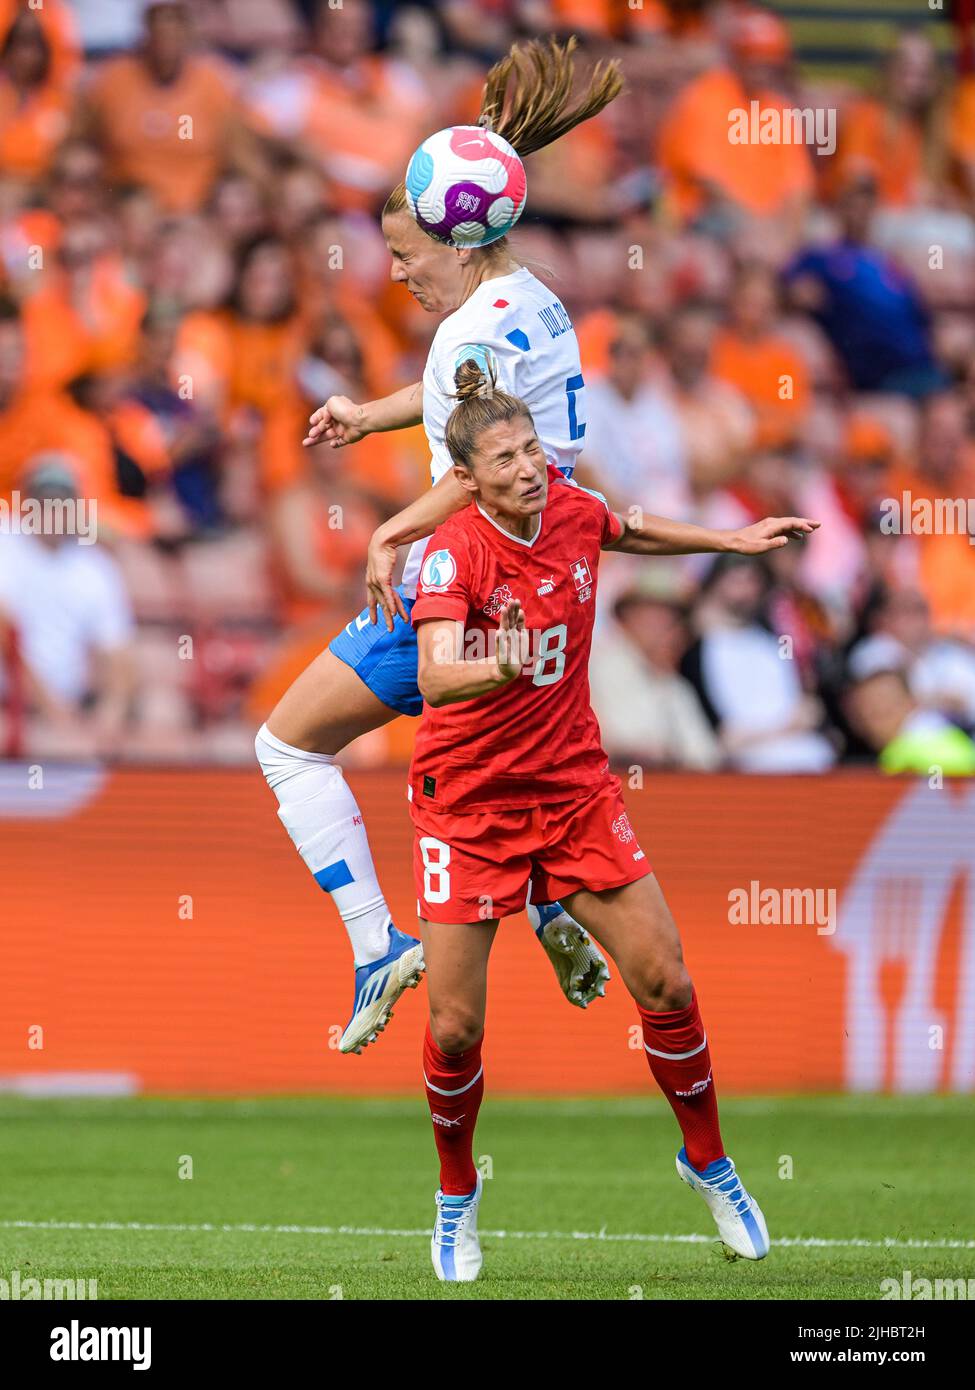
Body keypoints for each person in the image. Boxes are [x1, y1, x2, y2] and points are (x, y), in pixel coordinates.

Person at [407, 361, 818, 1281]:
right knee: (458, 1026)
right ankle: (455, 1191)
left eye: (530, 449)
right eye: (504, 458)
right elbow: (435, 675)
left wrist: (731, 541)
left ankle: (708, 1161)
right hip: (467, 805)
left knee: (666, 980)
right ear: (465, 477)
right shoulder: (453, 552)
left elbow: (628, 529)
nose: (525, 467)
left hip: (572, 792)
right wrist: (496, 665)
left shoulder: (569, 508)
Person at [255, 38, 625, 1055]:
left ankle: (379, 944)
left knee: (286, 745)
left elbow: (469, 467)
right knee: (496, 771)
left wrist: (387, 527)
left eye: (407, 256)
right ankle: (550, 905)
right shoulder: (530, 299)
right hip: (552, 585)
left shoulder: (462, 337)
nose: (398, 274)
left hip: (469, 581)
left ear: (456, 246)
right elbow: (465, 410)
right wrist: (365, 417)